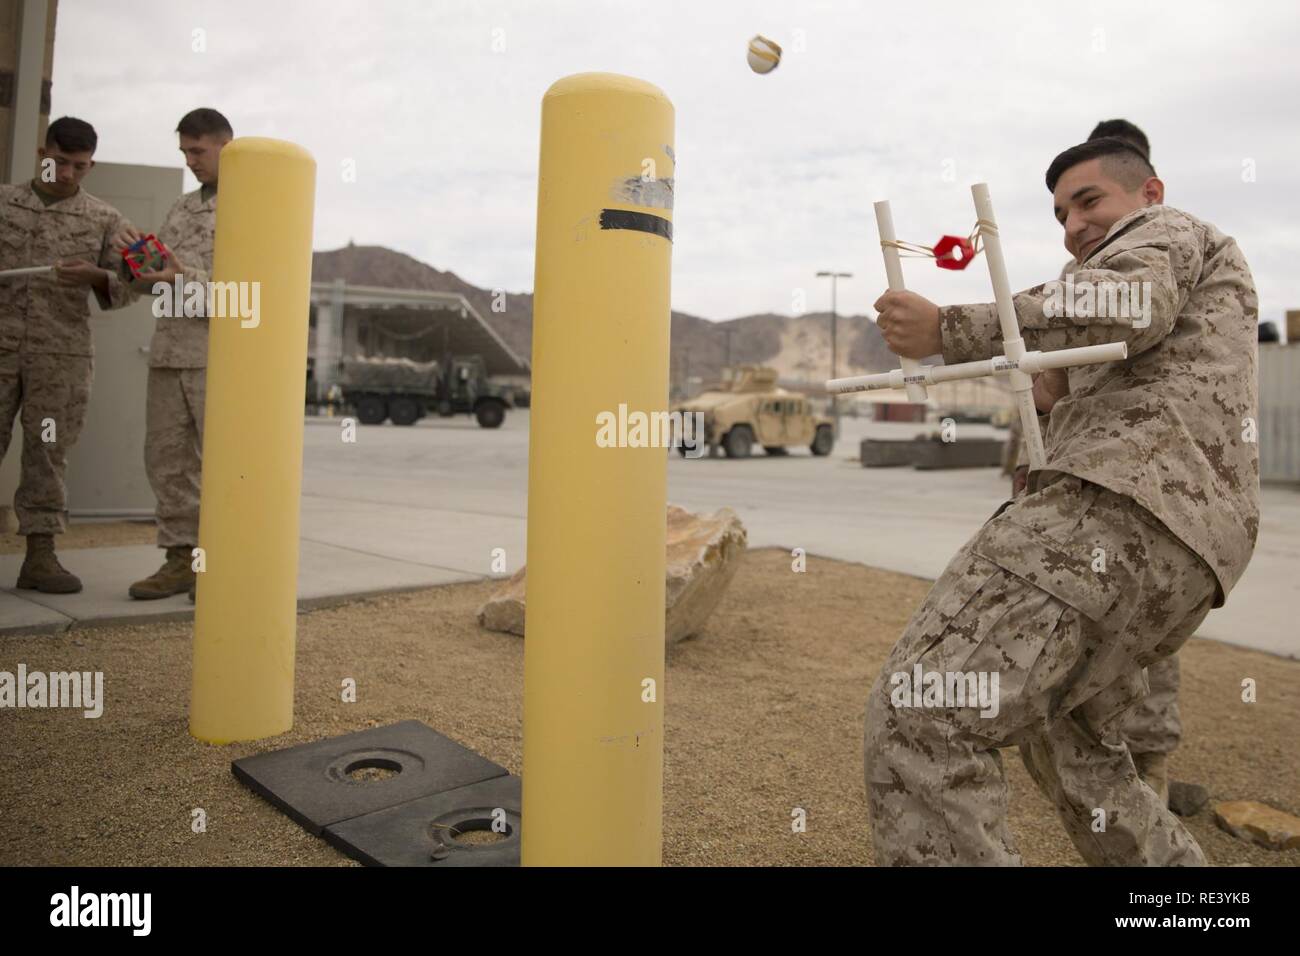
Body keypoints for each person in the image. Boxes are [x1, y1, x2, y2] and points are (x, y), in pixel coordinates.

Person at [863, 137, 1259, 865]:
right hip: (1182, 544)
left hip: (1119, 509)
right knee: (1077, 750)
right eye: (1059, 212)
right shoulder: (1137, 272)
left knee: (924, 711)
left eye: (1088, 200)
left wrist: (948, 328)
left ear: (1149, 192)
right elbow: (1119, 349)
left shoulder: (1166, 229)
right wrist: (1054, 392)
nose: (1072, 223)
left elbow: (1126, 304)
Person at [0, 117, 137, 592]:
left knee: (48, 454)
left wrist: (97, 277)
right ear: (43, 153)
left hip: (60, 357)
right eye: (59, 162)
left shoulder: (106, 221)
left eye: (79, 166)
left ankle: (39, 557)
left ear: (90, 164)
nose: (68, 174)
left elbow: (134, 285)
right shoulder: (3, 203)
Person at [117, 108, 230, 600]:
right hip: (169, 353)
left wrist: (182, 278)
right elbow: (161, 279)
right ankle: (180, 560)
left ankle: (223, 565)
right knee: (167, 461)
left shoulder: (254, 206)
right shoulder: (183, 209)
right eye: (184, 151)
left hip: (219, 357)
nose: (190, 161)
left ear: (227, 145)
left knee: (223, 465)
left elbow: (248, 294)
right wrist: (131, 266)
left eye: (198, 151)